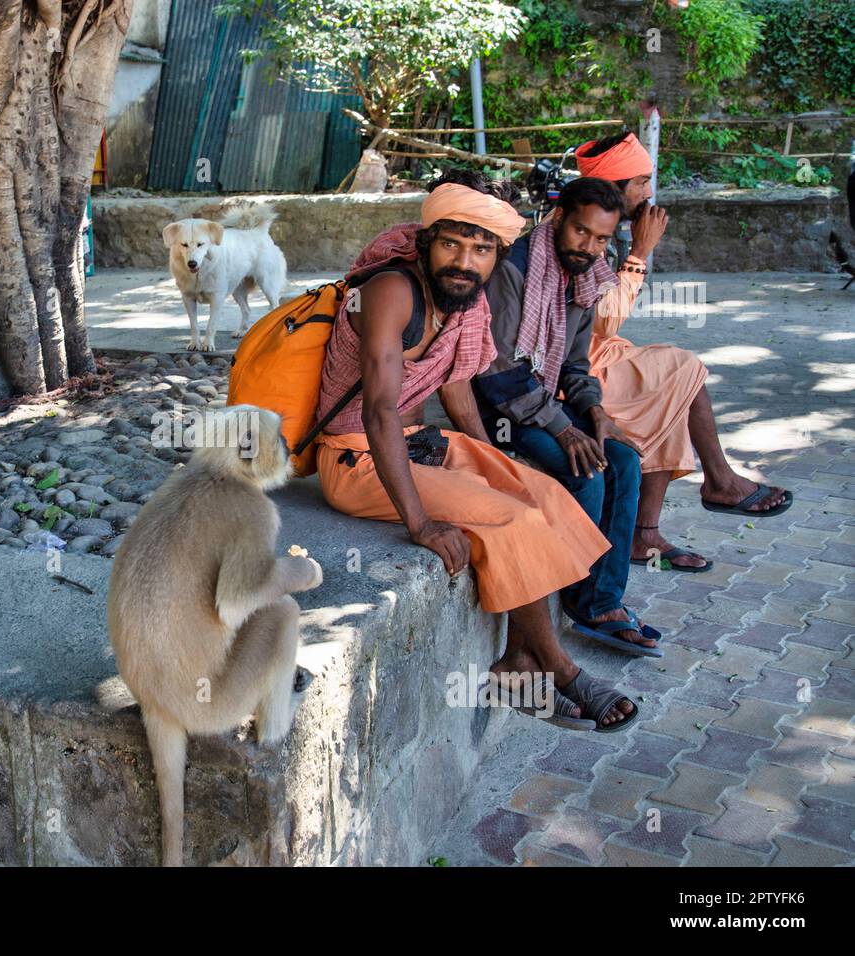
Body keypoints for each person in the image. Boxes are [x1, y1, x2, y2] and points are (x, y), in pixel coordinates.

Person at [315, 170, 638, 730]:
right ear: (427, 240)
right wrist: (420, 523)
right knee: (510, 518)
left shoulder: (464, 298)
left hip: (419, 444)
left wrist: (498, 462)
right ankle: (558, 667)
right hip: (356, 457)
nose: (465, 261)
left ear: (498, 253)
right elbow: (378, 410)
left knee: (543, 494)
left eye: (482, 248)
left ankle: (519, 656)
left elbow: (457, 384)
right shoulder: (392, 289)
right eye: (452, 244)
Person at [576, 133, 792, 573]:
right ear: (616, 188)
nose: (648, 192)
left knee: (673, 383)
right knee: (683, 367)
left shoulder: (605, 227)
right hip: (572, 369)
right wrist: (639, 253)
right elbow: (604, 320)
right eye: (640, 182)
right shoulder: (581, 234)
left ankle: (651, 531)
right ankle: (717, 483)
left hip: (595, 353)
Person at [476, 176, 657, 656]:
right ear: (559, 218)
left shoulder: (585, 275)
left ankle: (600, 599)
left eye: (601, 238)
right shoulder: (515, 268)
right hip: (497, 405)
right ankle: (572, 594)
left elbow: (575, 364)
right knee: (586, 473)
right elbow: (497, 372)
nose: (589, 247)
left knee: (622, 458)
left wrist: (595, 413)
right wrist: (563, 427)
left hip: (541, 398)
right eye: (581, 232)